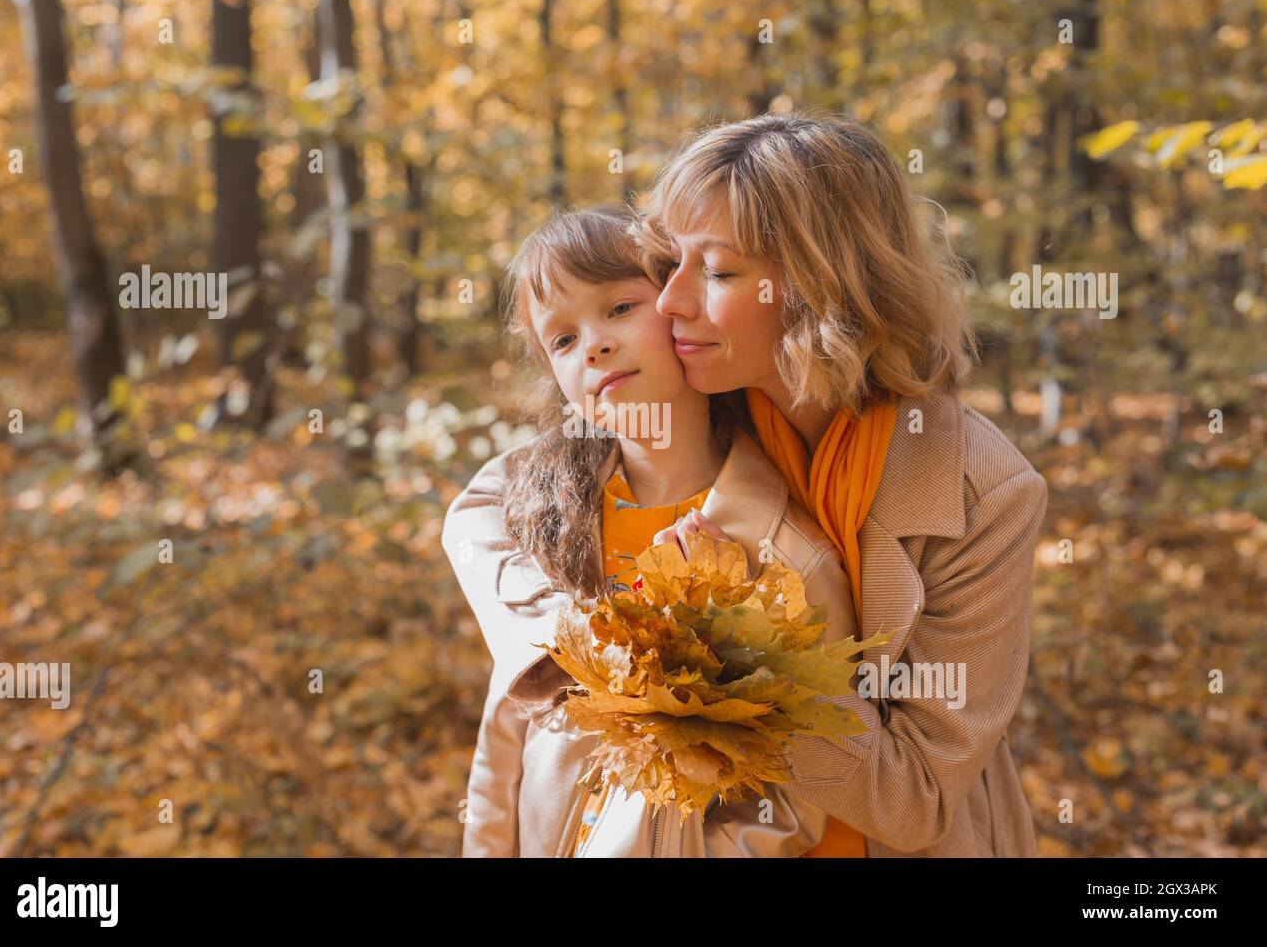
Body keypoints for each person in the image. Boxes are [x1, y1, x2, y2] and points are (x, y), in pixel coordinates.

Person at [632, 109, 1048, 856]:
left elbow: (916, 797)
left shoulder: (984, 492)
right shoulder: (686, 412)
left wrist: (744, 642)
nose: (671, 301)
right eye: (671, 264)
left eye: (719, 271)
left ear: (823, 287)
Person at [442, 204, 865, 857]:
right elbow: (506, 747)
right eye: (562, 339)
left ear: (682, 308)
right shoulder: (540, 514)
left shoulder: (785, 554)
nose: (595, 345)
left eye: (618, 308)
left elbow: (795, 798)